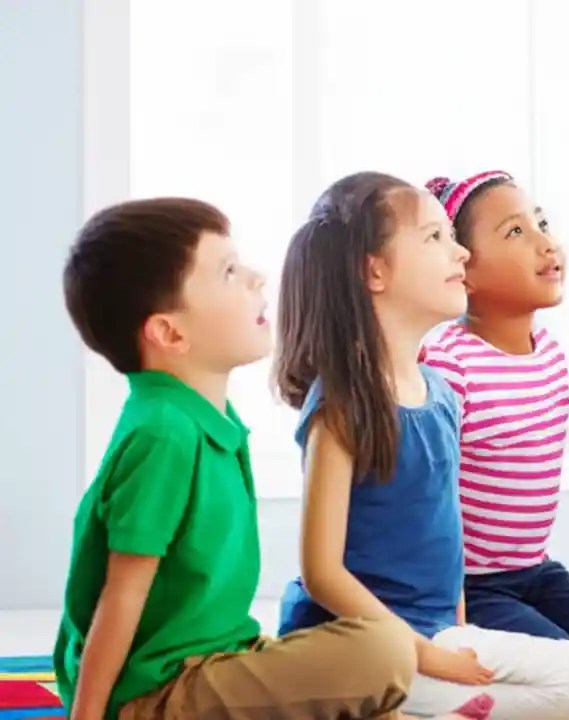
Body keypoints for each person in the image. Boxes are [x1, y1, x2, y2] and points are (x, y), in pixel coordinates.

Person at [55, 198, 417, 720]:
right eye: (227, 271)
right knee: (384, 651)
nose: (257, 277)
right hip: (155, 693)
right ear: (169, 333)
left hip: (219, 661)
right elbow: (121, 595)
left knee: (377, 687)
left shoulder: (204, 415)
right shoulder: (164, 434)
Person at [272, 172, 569, 720]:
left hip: (434, 632)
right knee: (563, 685)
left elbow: (449, 538)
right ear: (374, 271)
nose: (460, 252)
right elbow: (321, 571)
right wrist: (422, 652)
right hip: (359, 644)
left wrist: (459, 631)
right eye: (435, 238)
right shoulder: (343, 404)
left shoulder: (442, 394)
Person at [420, 171, 569, 697]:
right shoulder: (447, 362)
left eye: (542, 223)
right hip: (470, 585)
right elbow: (427, 495)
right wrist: (452, 616)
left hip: (534, 570)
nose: (545, 241)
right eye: (515, 232)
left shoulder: (550, 354)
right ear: (464, 268)